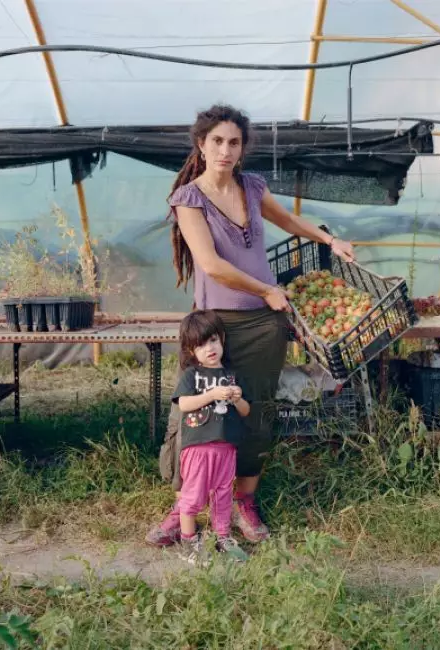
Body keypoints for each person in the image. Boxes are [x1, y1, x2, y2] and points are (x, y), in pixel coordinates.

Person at [146, 103, 355, 548]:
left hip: (265, 325)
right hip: (214, 327)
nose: (225, 149)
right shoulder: (189, 199)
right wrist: (265, 289)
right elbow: (211, 265)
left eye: (234, 142)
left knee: (255, 410)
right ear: (201, 146)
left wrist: (330, 239)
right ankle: (184, 504)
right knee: (198, 412)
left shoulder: (252, 187)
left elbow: (290, 221)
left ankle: (244, 502)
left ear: (242, 149)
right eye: (216, 141)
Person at [171, 310, 250, 564]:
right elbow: (183, 403)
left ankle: (223, 537)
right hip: (198, 448)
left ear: (222, 339)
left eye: (213, 340)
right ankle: (188, 540)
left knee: (223, 494)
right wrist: (212, 394)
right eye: (201, 345)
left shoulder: (233, 376)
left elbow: (246, 411)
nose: (209, 348)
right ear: (191, 351)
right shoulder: (192, 375)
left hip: (226, 448)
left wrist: (237, 399)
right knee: (192, 495)